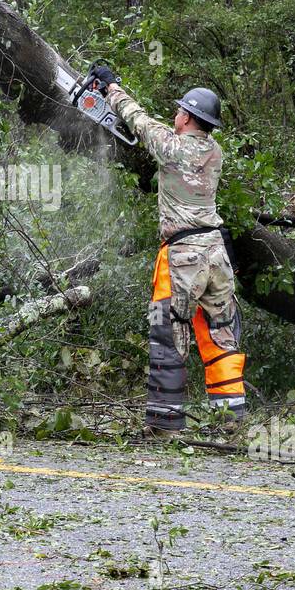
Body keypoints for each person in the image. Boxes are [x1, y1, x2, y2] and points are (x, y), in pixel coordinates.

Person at [96, 66, 247, 437]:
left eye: (180, 111)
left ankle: (164, 425)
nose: (175, 115)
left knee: (167, 332)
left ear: (188, 117)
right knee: (221, 335)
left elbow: (138, 120)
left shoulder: (171, 146)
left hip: (182, 255)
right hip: (217, 255)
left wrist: (112, 87)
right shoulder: (216, 151)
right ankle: (232, 422)